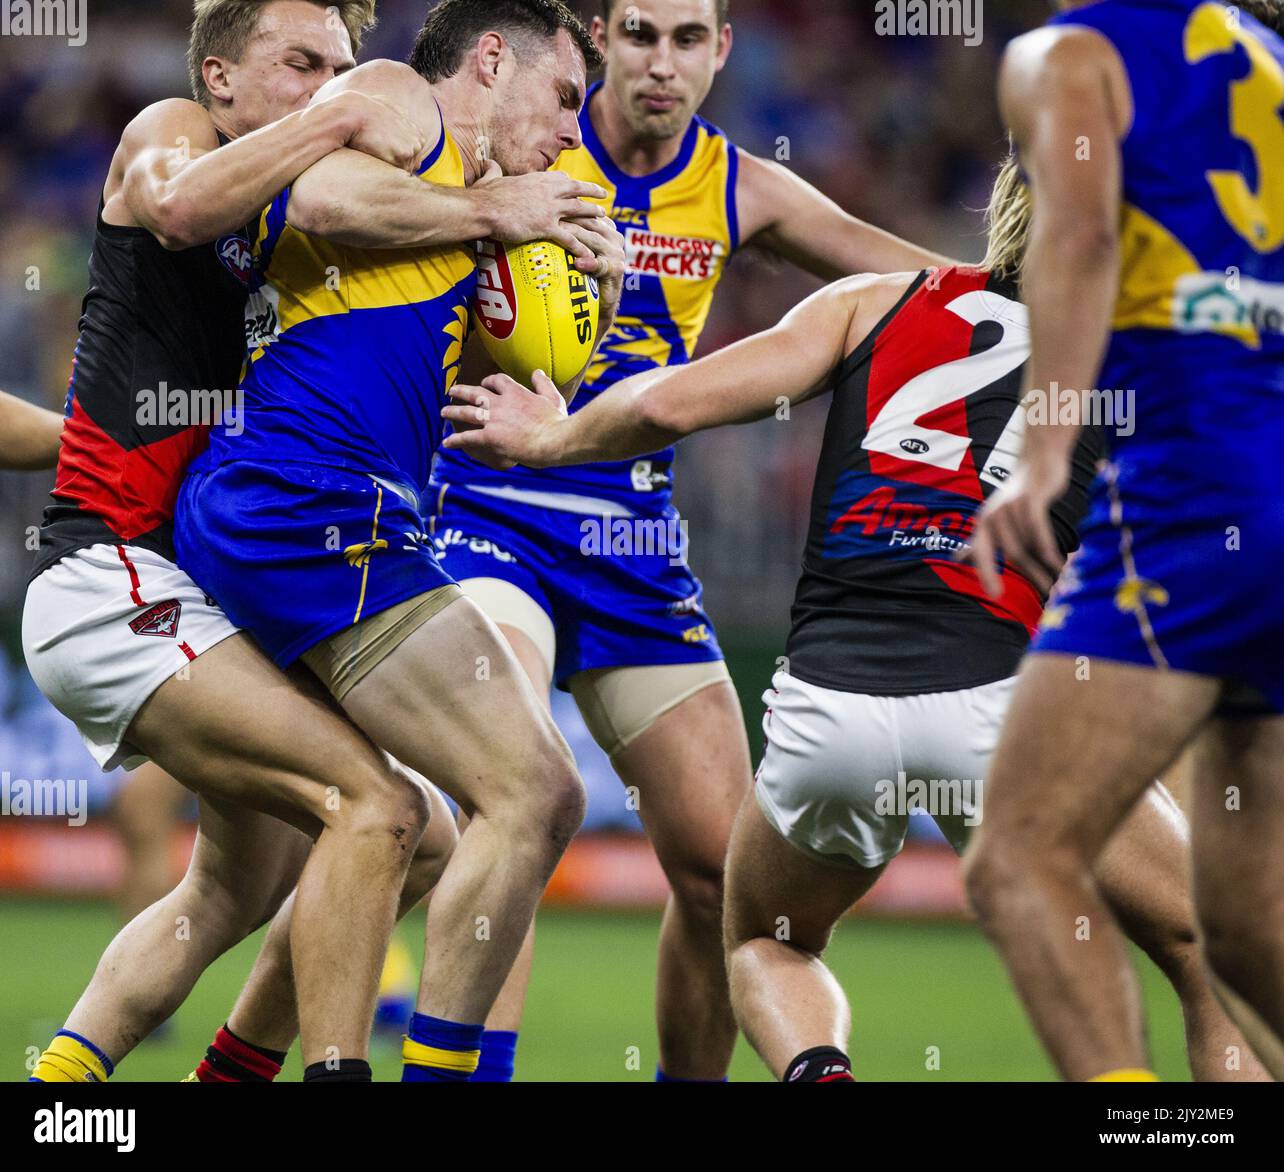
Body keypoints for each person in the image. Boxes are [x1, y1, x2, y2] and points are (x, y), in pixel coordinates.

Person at [438, 151, 1266, 1085]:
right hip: (1005, 703)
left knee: (762, 938)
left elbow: (671, 399)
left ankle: (820, 1073)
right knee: (1210, 959)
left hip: (829, 711)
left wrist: (549, 437)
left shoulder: (876, 301)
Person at [25, 0, 607, 1084]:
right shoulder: (183, 132)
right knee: (409, 802)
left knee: (323, 861)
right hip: (129, 567)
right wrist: (491, 206)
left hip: (197, 561)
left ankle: (69, 1099)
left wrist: (571, 316)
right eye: (304, 64)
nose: (333, 86)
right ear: (218, 76)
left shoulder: (298, 226)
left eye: (340, 66)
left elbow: (405, 315)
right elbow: (194, 199)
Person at [425, 0, 948, 1082]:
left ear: (720, 50)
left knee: (725, 875)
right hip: (486, 509)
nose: (662, 64)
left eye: (687, 39)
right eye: (639, 36)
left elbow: (928, 290)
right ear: (599, 41)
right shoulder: (526, 141)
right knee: (511, 791)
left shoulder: (740, 185)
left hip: (634, 546)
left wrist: (1086, 302)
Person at [959, 0, 1284, 1082]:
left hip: (1196, 477)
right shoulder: (1267, 61)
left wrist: (1047, 448)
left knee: (1019, 853)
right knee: (1240, 921)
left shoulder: (1068, 54)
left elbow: (1083, 229)